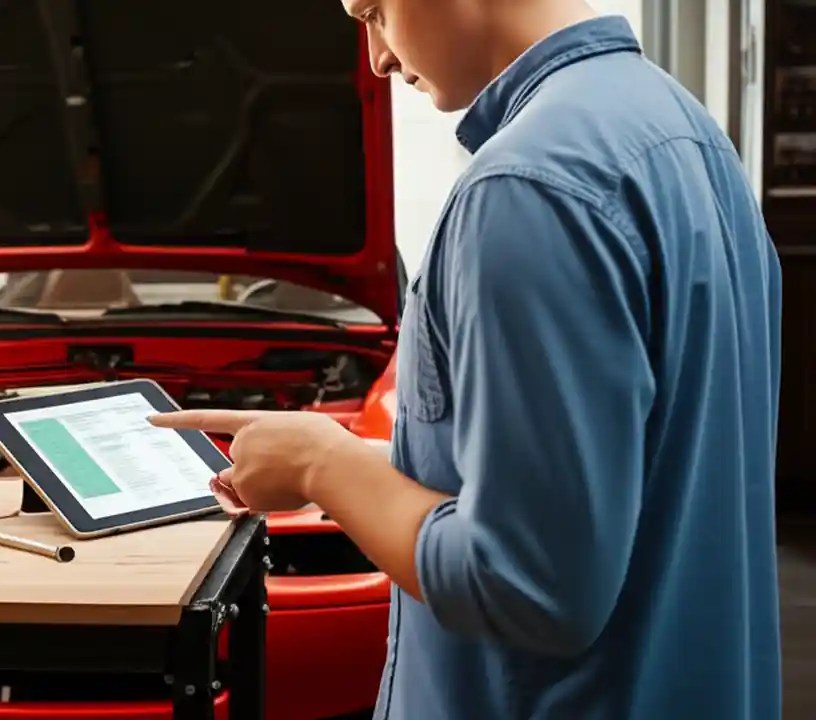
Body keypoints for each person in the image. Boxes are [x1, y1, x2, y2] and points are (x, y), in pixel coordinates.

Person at [149, 1, 784, 718]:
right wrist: (387, 462)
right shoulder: (688, 136)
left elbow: (529, 586)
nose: (376, 58)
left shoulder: (527, 187)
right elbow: (649, 465)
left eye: (375, 13)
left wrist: (322, 464)